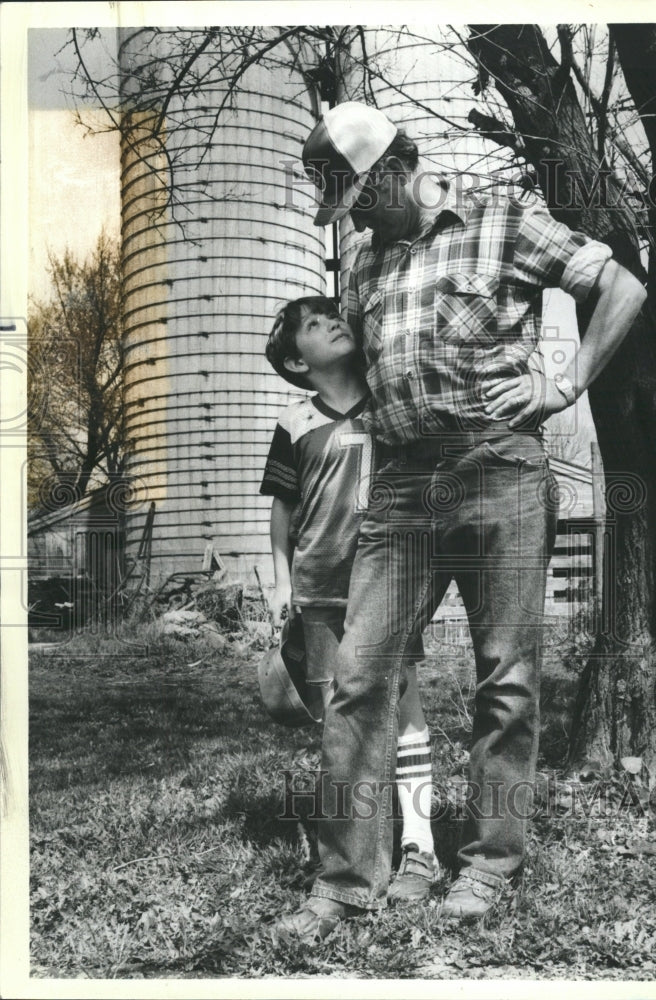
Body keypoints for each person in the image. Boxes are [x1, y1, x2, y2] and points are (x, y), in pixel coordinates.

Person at [275, 101, 647, 943]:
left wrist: (567, 381)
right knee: (360, 679)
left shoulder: (501, 220)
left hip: (498, 470)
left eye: (359, 199)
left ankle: (489, 862)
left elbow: (620, 283)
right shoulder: (363, 270)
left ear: (395, 169)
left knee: (504, 680)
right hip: (402, 487)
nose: (355, 219)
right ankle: (344, 882)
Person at [260, 294, 438, 902]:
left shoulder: (387, 403)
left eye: (333, 315)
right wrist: (283, 582)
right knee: (338, 716)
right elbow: (283, 509)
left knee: (403, 704)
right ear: (295, 362)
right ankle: (349, 835)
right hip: (319, 589)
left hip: (385, 582)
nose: (333, 323)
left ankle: (420, 843)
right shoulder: (295, 421)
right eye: (313, 325)